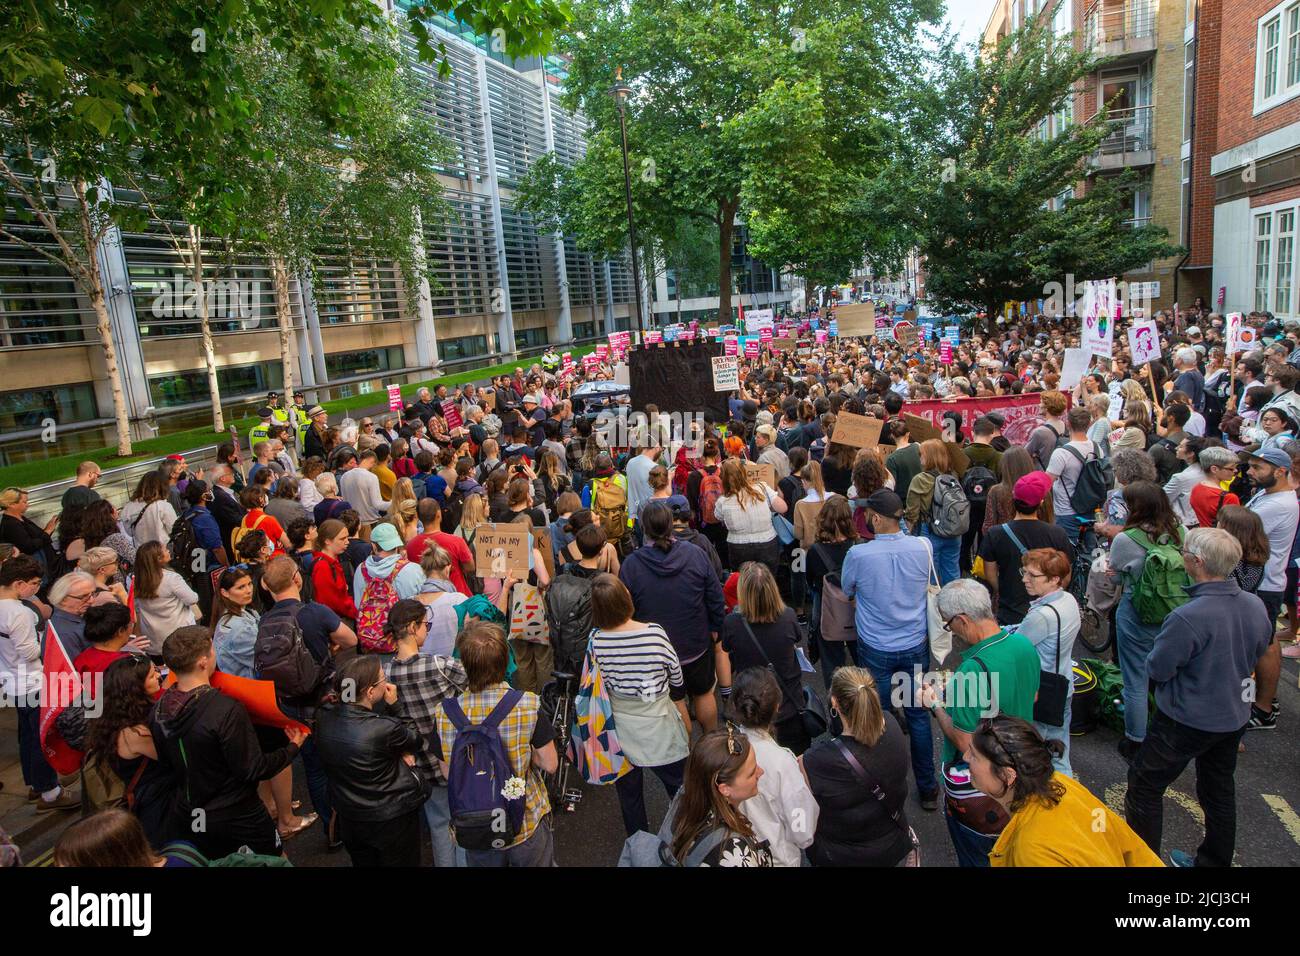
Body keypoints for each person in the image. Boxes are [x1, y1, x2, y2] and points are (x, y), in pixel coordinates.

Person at [1125, 528, 1272, 867]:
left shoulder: (1187, 616)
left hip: (1184, 719)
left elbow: (1159, 668)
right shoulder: (1254, 605)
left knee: (1144, 785)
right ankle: (1214, 863)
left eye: (1186, 552)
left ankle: (1143, 861)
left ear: (1197, 562)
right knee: (1219, 791)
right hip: (1233, 715)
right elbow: (1260, 648)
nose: (1183, 555)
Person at [150, 625, 306, 857]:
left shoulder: (159, 709)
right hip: (238, 812)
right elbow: (253, 768)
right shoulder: (225, 709)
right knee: (275, 861)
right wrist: (292, 748)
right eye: (212, 651)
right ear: (203, 661)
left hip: (191, 811)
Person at [922, 578, 1040, 867]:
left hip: (982, 789)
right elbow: (1033, 697)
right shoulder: (1023, 644)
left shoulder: (971, 672)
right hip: (1022, 768)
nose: (951, 631)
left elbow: (964, 743)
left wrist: (936, 705)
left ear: (962, 620)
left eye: (948, 625)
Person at [839, 489, 940, 810]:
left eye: (870, 513)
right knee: (919, 716)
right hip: (914, 644)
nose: (867, 517)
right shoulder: (923, 547)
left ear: (878, 518)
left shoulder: (859, 555)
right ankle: (927, 788)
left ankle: (882, 785)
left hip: (876, 646)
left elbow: (846, 589)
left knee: (876, 718)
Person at [432, 620, 558, 867]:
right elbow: (550, 764)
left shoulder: (444, 713)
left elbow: (448, 772)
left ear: (465, 663)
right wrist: (525, 753)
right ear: (504, 661)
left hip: (476, 822)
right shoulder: (527, 705)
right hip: (524, 819)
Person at [968, 716, 1160, 867]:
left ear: (1007, 775)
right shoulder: (1059, 783)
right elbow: (1116, 837)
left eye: (974, 756)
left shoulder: (1032, 851)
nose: (965, 757)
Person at [589, 573, 692, 836]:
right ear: (625, 598)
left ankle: (638, 845)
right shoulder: (654, 634)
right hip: (658, 719)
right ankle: (685, 834)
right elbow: (676, 674)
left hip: (620, 725)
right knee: (679, 787)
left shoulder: (596, 641)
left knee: (630, 796)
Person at [314, 654, 430, 867]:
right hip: (391, 818)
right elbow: (414, 740)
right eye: (383, 678)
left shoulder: (323, 719)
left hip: (350, 816)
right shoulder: (383, 729)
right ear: (370, 692)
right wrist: (395, 705)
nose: (387, 682)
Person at [620, 501, 726, 734]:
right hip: (696, 641)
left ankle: (685, 753)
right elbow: (715, 596)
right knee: (704, 692)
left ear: (644, 528)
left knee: (676, 700)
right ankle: (710, 742)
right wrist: (717, 627)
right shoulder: (695, 554)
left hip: (656, 650)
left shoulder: (631, 565)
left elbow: (625, 609)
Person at [800, 667, 917, 867]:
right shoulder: (892, 725)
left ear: (834, 703)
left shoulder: (819, 760)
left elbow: (799, 793)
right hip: (891, 846)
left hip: (843, 855)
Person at [1107, 480, 1186, 760]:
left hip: (1137, 611)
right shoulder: (1180, 532)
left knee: (1135, 678)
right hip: (1175, 610)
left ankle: (1136, 738)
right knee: (1170, 675)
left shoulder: (1126, 539)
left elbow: (1116, 577)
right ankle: (1170, 730)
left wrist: (1112, 573)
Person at [386, 598, 468, 868]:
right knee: (465, 823)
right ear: (412, 627)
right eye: (425, 624)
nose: (427, 630)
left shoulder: (386, 674)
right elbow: (475, 679)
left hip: (419, 764)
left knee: (439, 825)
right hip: (454, 759)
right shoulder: (440, 666)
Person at [0, 555, 78, 811]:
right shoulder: (20, 613)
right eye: (33, 583)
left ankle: (36, 783)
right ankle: (50, 792)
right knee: (41, 738)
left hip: (13, 682)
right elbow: (29, 651)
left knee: (28, 737)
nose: (36, 588)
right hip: (32, 682)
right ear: (18, 583)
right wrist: (46, 638)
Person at [727, 667, 819, 866]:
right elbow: (803, 832)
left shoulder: (721, 749)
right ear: (778, 707)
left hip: (733, 854)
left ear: (735, 705)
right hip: (776, 857)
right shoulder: (782, 762)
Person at [80, 656, 176, 845]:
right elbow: (174, 757)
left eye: (156, 669)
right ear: (136, 688)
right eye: (152, 675)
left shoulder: (113, 717)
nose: (159, 676)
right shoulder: (136, 734)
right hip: (155, 806)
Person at [720, 562, 809, 754]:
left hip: (752, 710)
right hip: (790, 705)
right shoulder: (788, 616)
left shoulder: (732, 624)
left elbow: (726, 650)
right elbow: (797, 638)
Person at [661, 726, 773, 866]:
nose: (760, 772)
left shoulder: (686, 799)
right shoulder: (734, 853)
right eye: (751, 773)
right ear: (725, 789)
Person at [1243, 445, 1297, 730]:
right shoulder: (1270, 493)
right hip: (1262, 581)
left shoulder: (1279, 503)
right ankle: (1264, 701)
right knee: (1264, 642)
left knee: (1260, 646)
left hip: (1263, 584)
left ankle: (1261, 708)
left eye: (1257, 468)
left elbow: (1241, 531)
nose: (1250, 473)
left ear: (1280, 471)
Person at [1014, 548, 1080, 775]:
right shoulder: (1068, 600)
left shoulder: (1042, 615)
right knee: (1059, 748)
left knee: (1039, 751)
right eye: (1025, 572)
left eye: (1033, 575)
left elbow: (1017, 646)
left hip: (1040, 690)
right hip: (1062, 686)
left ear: (1054, 580)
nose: (1025, 579)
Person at [978, 472, 1073, 626]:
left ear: (1013, 500)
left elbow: (990, 573)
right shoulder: (1057, 533)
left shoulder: (996, 534)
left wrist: (1004, 589)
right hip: (1047, 610)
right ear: (1041, 502)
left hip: (1009, 609)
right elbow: (1065, 575)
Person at [805, 496, 857, 683]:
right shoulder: (857, 547)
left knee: (831, 663)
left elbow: (809, 582)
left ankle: (835, 706)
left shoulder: (814, 551)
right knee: (861, 662)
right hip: (856, 611)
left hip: (827, 612)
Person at [903, 439, 963, 584]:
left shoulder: (920, 480)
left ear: (928, 457)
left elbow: (912, 513)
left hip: (929, 530)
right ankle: (955, 603)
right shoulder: (953, 477)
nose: (920, 458)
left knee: (931, 577)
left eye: (921, 454)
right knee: (952, 572)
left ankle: (934, 606)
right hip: (953, 531)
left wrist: (906, 536)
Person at [714, 457, 788, 567]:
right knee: (768, 580)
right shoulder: (762, 488)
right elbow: (783, 508)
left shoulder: (723, 501)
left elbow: (718, 516)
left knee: (744, 581)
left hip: (738, 546)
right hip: (767, 543)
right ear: (744, 472)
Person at [132, 541, 199, 660]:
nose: (168, 550)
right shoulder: (172, 579)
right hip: (179, 639)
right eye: (165, 550)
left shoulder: (136, 581)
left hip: (153, 642)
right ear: (159, 559)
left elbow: (136, 608)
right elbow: (192, 599)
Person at [413, 541, 469, 657]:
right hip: (452, 669)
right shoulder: (459, 600)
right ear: (447, 569)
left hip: (422, 669)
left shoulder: (410, 603)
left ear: (424, 570)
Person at [0, 486, 57, 567]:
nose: (27, 505)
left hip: (47, 561)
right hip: (40, 567)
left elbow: (37, 538)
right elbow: (28, 547)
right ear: (12, 504)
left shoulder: (20, 518)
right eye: (24, 502)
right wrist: (48, 532)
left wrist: (49, 529)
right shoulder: (11, 525)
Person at [1187, 445, 1239, 528]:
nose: (1235, 471)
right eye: (1231, 468)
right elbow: (1236, 527)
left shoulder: (1196, 488)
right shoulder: (1229, 498)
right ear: (1214, 469)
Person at [1025, 390, 1068, 470]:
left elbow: (1024, 454)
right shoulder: (1064, 425)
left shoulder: (1040, 432)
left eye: (1041, 402)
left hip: (1043, 475)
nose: (1039, 405)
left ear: (1047, 407)